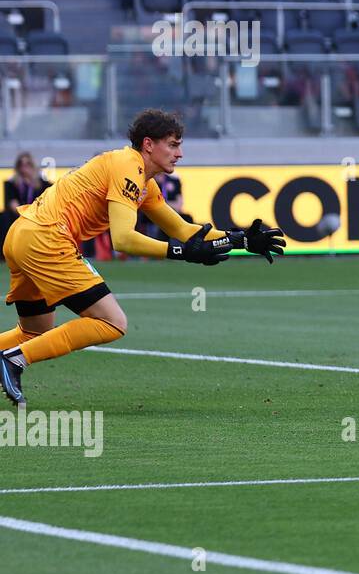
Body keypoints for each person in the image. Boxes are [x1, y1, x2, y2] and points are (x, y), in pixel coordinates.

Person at [0, 110, 285, 407]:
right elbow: (123, 239)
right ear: (148, 144)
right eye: (173, 145)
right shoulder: (128, 167)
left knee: (34, 331)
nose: (180, 154)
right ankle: (14, 360)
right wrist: (180, 252)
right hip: (47, 238)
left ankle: (13, 354)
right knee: (112, 321)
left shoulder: (143, 181)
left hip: (21, 235)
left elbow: (182, 229)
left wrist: (239, 239)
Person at [2, 153, 52, 245]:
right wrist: (26, 215)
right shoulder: (11, 184)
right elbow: (13, 204)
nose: (24, 167)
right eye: (21, 164)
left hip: (37, 215)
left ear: (32, 166)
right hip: (19, 215)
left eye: (27, 164)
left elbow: (46, 203)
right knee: (4, 217)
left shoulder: (43, 184)